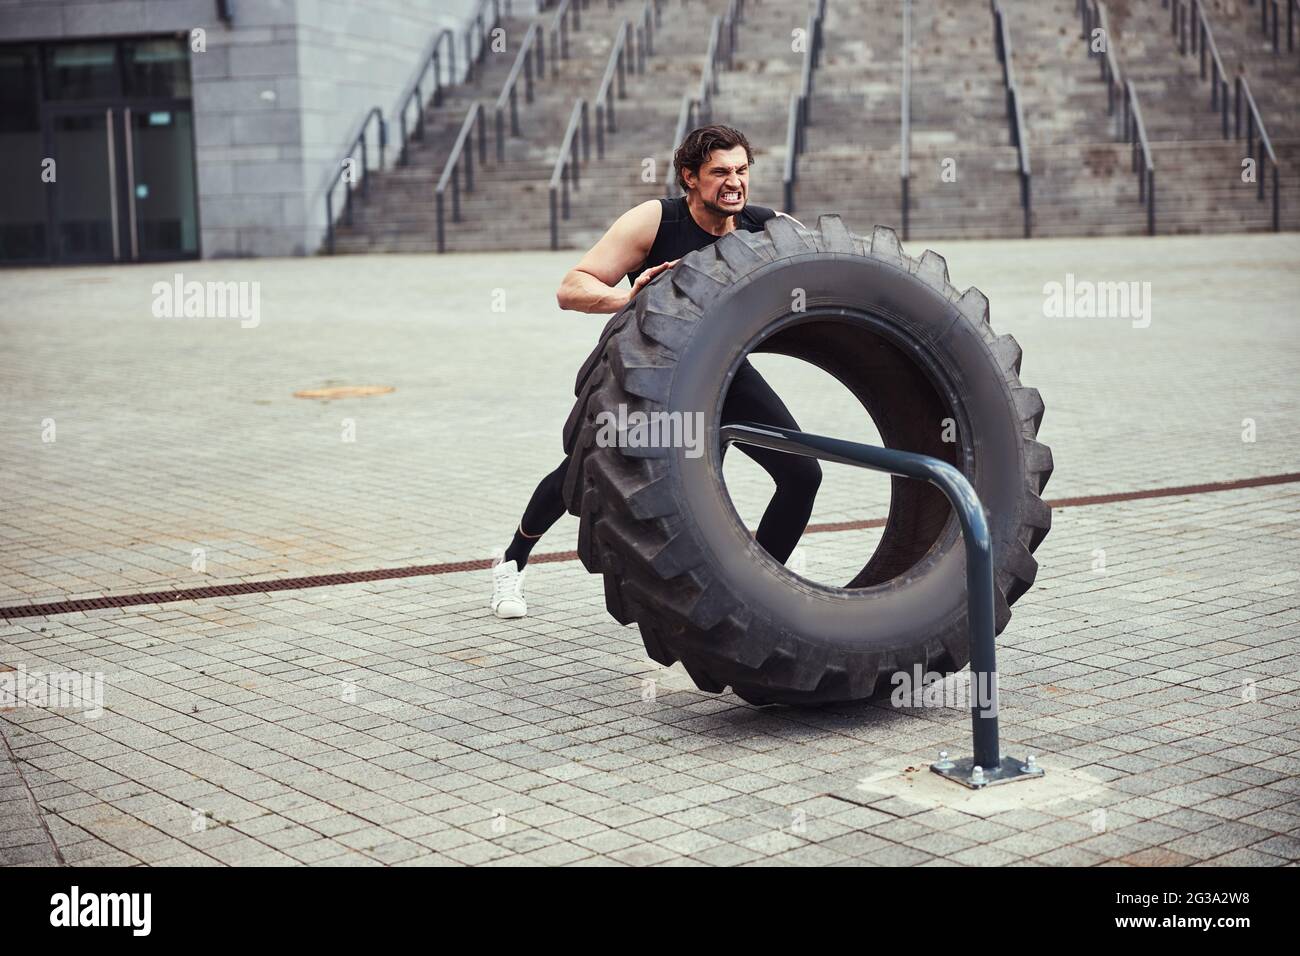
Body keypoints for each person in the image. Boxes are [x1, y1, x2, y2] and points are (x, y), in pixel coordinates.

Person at [490, 125, 822, 618]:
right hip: (647, 374)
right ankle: (511, 563)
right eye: (719, 173)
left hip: (722, 370)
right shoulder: (655, 220)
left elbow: (825, 268)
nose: (734, 183)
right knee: (581, 474)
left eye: (742, 171)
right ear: (689, 176)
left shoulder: (765, 225)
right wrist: (626, 297)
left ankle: (755, 596)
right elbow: (570, 288)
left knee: (801, 474)